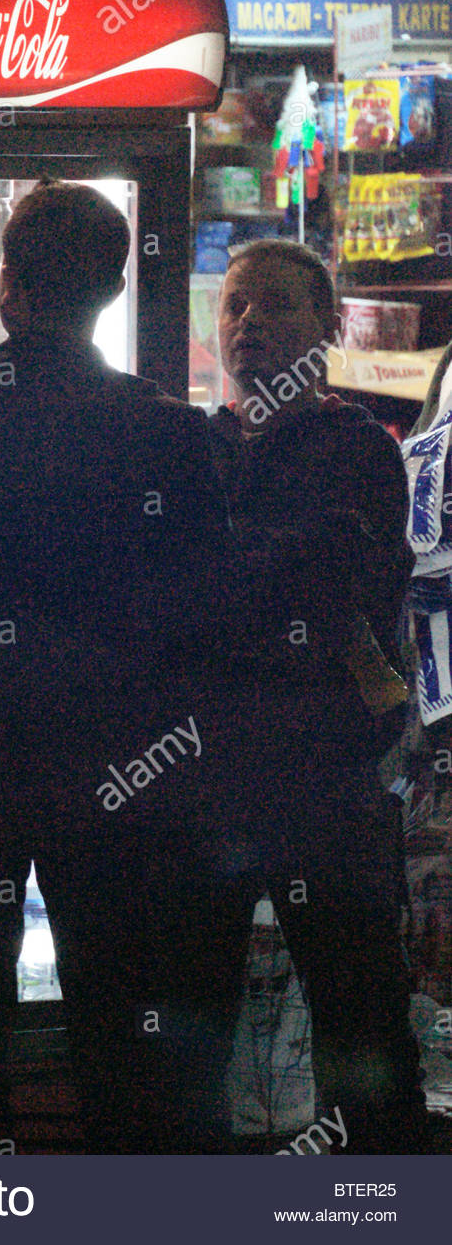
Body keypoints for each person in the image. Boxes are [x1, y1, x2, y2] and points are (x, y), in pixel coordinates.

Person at [0, 180, 296, 1153]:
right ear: (115, 288)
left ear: (7, 288)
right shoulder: (167, 430)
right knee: (120, 1033)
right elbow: (209, 611)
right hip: (117, 775)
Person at [204, 237, 433, 1153]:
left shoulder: (354, 450)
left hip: (323, 777)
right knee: (188, 1012)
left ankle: (380, 1203)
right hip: (208, 777)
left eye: (277, 306)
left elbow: (336, 583)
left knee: (361, 1019)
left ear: (328, 328)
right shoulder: (199, 447)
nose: (250, 321)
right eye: (236, 305)